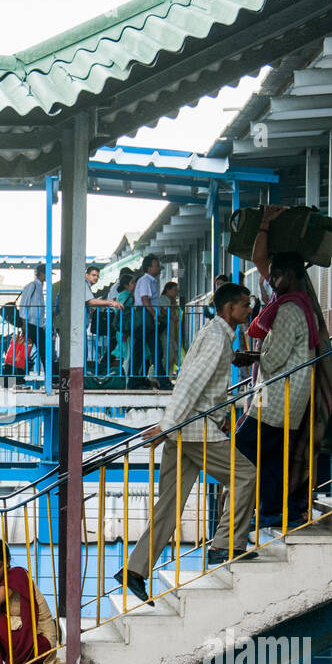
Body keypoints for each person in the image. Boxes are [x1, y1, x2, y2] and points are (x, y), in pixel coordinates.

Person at [114, 282, 259, 600]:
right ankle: (225, 545)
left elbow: (198, 374)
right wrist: (167, 423)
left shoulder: (216, 334)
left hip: (184, 430)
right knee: (246, 475)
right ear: (228, 309)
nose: (249, 310)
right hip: (195, 430)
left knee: (169, 504)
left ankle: (135, 569)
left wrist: (235, 359)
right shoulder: (217, 338)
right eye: (244, 305)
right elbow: (191, 384)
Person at [242, 206, 332, 528]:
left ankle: (253, 512)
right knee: (274, 459)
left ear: (291, 275)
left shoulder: (287, 309)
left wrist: (255, 358)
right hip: (286, 401)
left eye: (278, 275)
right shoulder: (299, 303)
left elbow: (273, 359)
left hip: (277, 400)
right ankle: (274, 511)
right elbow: (259, 260)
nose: (273, 281)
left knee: (243, 450)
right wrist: (266, 226)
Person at [128, 255, 173, 390]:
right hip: (145, 319)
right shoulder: (145, 281)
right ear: (149, 268)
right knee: (153, 350)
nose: (159, 268)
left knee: (143, 350)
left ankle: (136, 380)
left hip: (147, 319)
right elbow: (145, 300)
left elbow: (152, 301)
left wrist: (162, 313)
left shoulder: (151, 281)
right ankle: (159, 381)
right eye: (156, 265)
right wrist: (154, 315)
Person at [16, 265, 59, 374]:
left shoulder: (39, 287)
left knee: (36, 352)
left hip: (37, 326)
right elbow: (24, 306)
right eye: (47, 274)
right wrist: (24, 325)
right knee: (26, 353)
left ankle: (51, 379)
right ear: (41, 273)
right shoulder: (32, 286)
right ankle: (51, 379)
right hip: (30, 325)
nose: (49, 277)